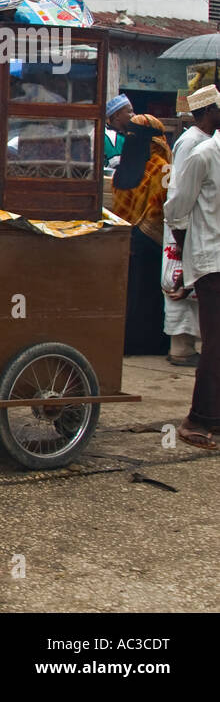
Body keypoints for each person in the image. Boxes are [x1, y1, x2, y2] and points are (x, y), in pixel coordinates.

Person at [163, 128, 220, 450]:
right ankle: (196, 419)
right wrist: (187, 255)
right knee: (215, 345)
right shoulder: (204, 154)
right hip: (212, 260)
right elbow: (175, 210)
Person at [107, 93, 172, 356]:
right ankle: (150, 342)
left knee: (130, 293)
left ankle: (127, 340)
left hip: (127, 237)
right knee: (149, 296)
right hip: (151, 239)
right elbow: (162, 206)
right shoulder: (160, 166)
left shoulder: (123, 168)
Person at [162, 86, 220, 367]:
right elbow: (179, 195)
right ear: (209, 111)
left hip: (202, 231)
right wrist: (182, 241)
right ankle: (181, 348)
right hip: (187, 229)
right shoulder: (193, 143)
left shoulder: (207, 141)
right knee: (180, 289)